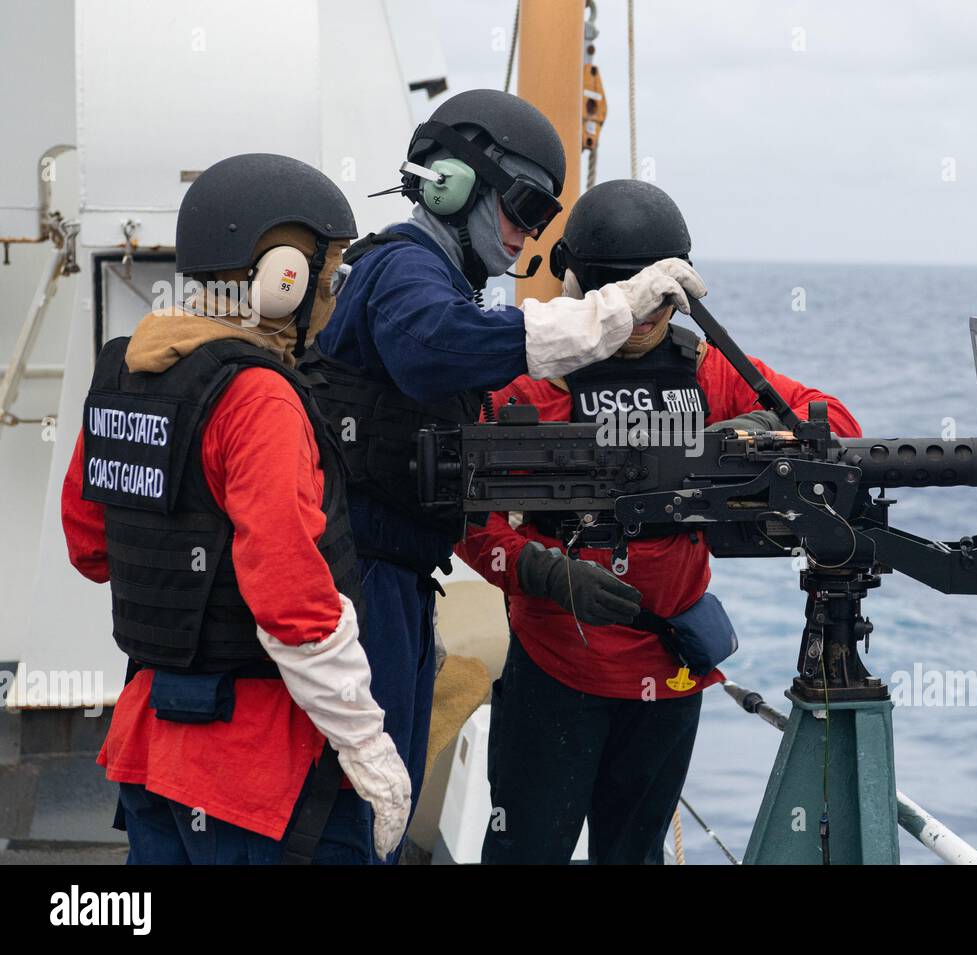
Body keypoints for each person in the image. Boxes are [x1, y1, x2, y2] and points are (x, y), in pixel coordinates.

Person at [303, 89, 705, 859]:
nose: (526, 233)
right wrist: (610, 313)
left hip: (396, 581)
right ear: (452, 183)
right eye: (522, 207)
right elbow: (438, 346)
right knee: (350, 819)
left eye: (541, 218)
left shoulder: (432, 284)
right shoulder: (402, 270)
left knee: (378, 808)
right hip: (364, 584)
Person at [454, 179, 863, 864]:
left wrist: (752, 432)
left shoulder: (705, 370)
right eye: (625, 294)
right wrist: (541, 572)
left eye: (657, 300)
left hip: (669, 673)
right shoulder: (529, 383)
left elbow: (835, 425)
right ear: (583, 286)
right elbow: (464, 513)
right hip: (556, 671)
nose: (643, 317)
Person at [61, 153, 409, 864]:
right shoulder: (260, 398)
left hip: (148, 745)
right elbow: (289, 598)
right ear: (284, 277)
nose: (331, 297)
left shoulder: (126, 371)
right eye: (328, 275)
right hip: (256, 770)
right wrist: (366, 744)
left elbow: (90, 549)